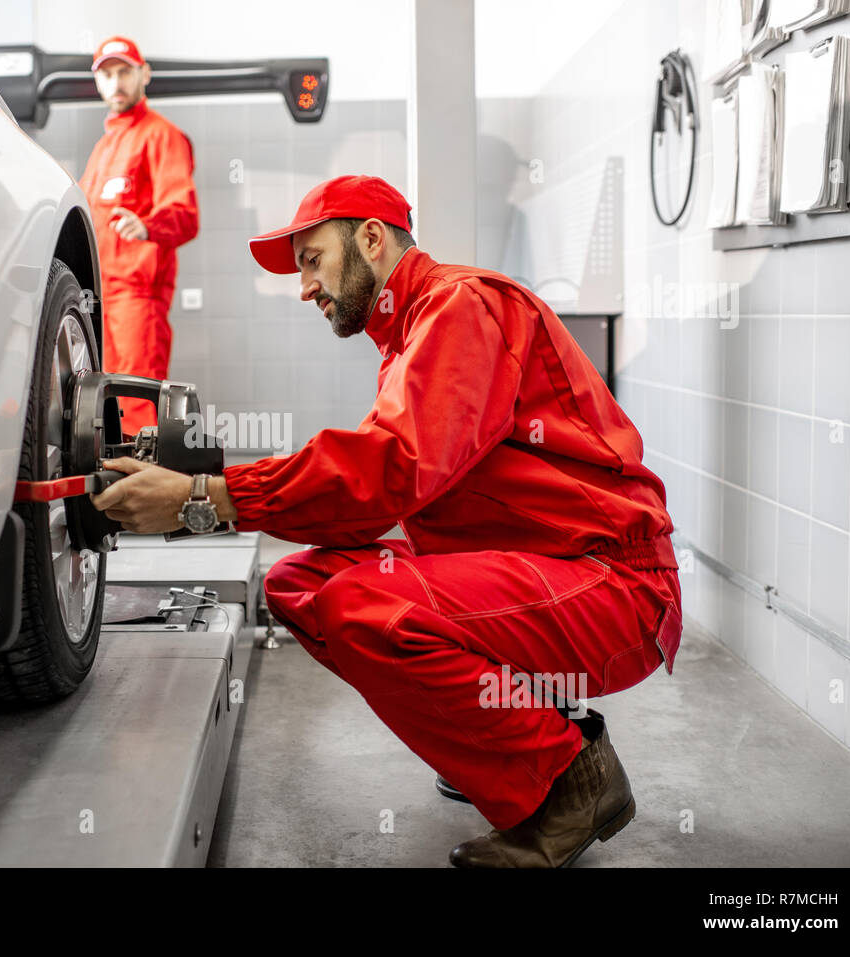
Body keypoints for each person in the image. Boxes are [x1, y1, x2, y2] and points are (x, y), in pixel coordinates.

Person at [89, 174, 683, 868]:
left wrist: (208, 496)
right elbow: (370, 502)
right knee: (299, 583)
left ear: (371, 237)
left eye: (312, 259)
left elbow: (386, 472)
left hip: (611, 583)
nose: (304, 286)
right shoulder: (407, 337)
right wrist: (222, 489)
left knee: (360, 602)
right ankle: (517, 734)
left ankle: (567, 783)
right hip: (547, 572)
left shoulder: (460, 307)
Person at [78, 35, 199, 436]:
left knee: (136, 406)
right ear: (97, 83)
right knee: (100, 409)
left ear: (143, 74)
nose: (116, 83)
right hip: (96, 300)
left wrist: (148, 225)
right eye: (107, 74)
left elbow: (184, 213)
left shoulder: (162, 136)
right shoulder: (103, 148)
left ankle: (144, 494)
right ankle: (112, 496)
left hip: (136, 298)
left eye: (124, 72)